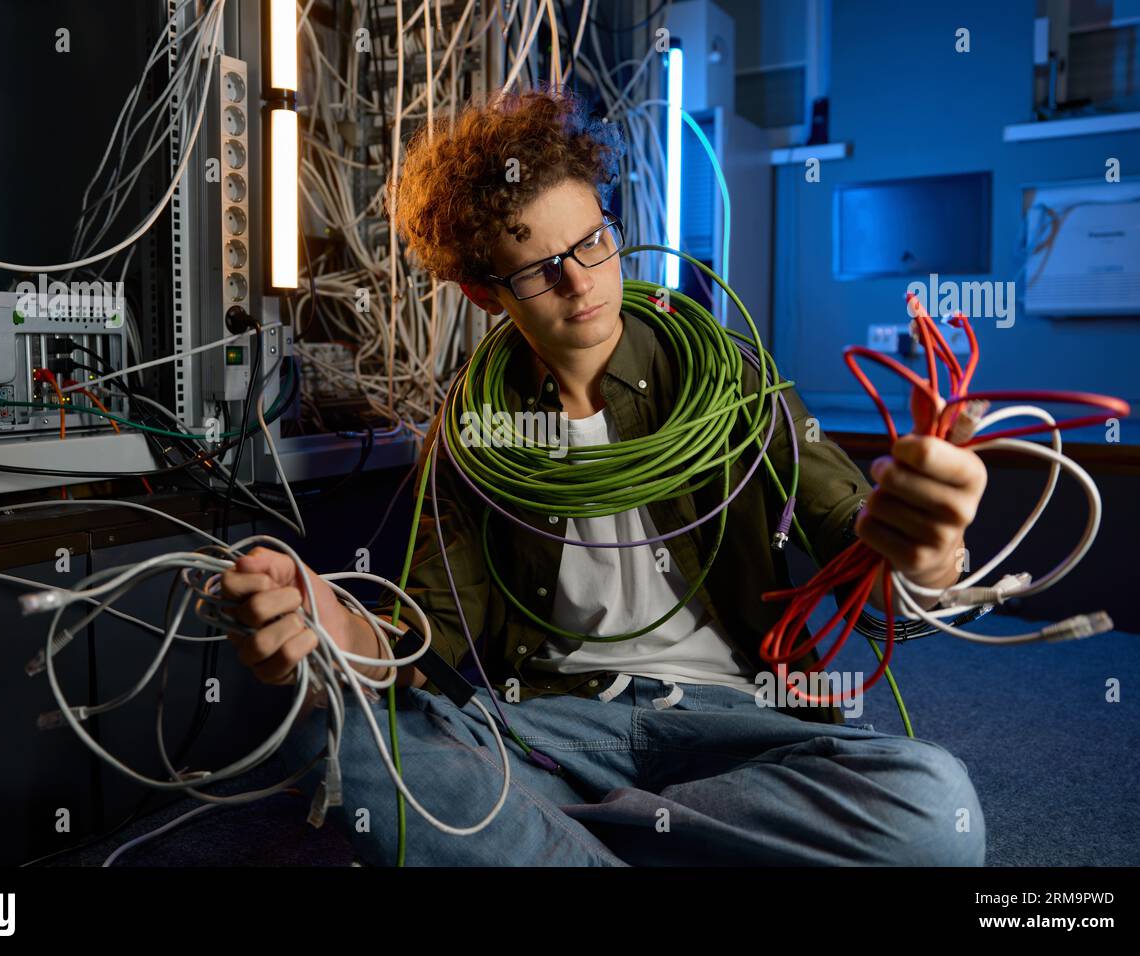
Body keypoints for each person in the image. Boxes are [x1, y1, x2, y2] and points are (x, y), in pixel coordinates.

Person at [219, 88, 989, 866]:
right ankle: (658, 837)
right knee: (328, 737)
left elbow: (864, 557)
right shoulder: (472, 433)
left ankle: (571, 840)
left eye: (593, 243)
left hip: (739, 721)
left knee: (932, 806)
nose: (582, 283)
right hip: (549, 729)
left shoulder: (732, 382)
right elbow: (428, 638)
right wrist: (333, 622)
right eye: (540, 270)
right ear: (483, 293)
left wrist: (927, 559)